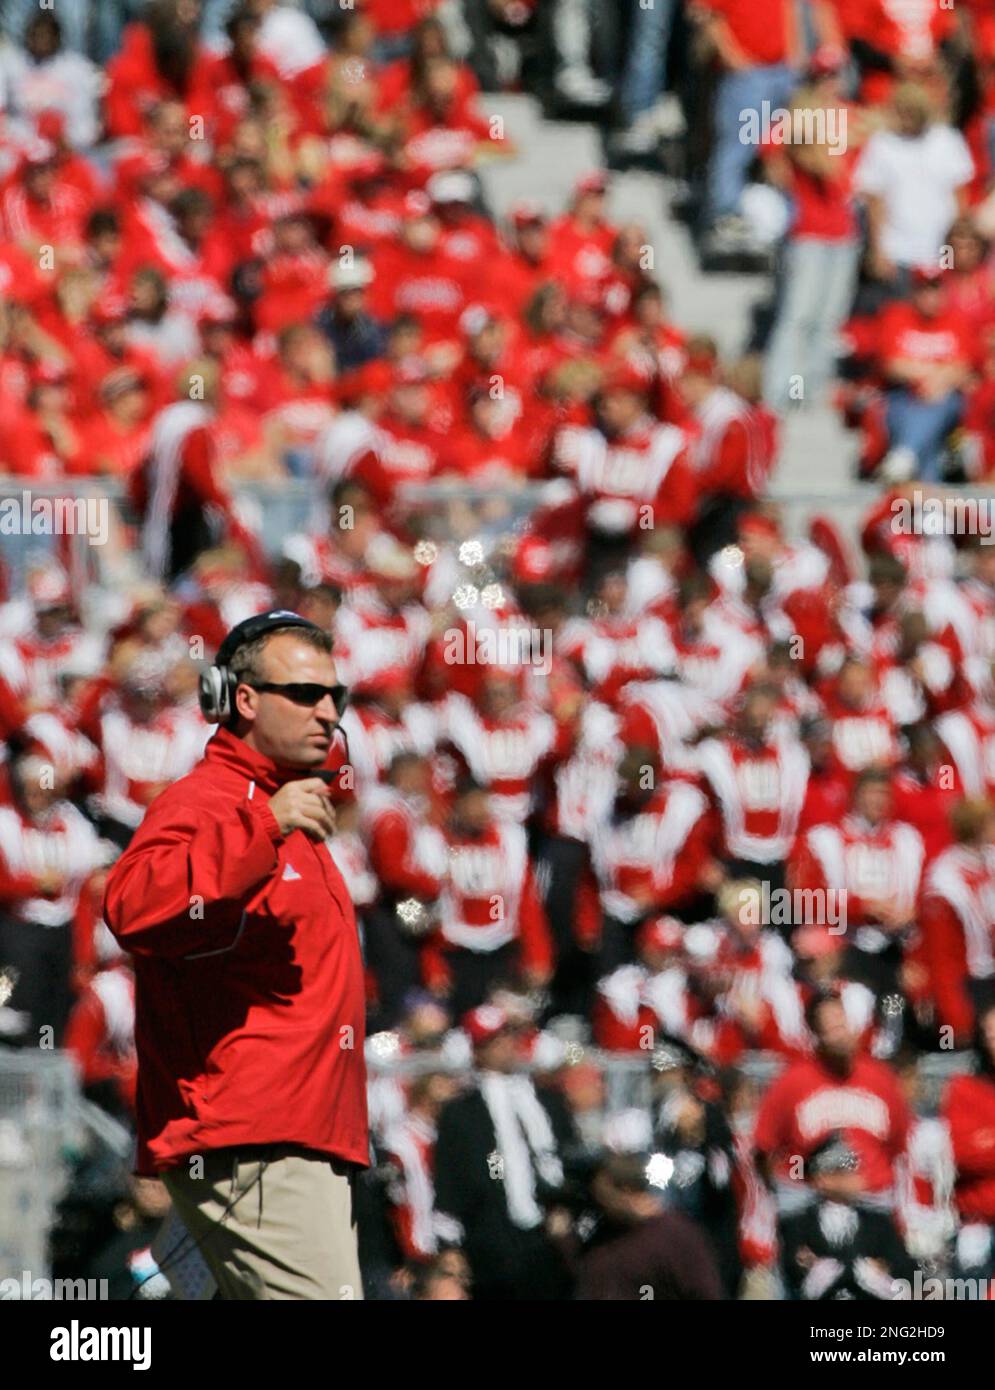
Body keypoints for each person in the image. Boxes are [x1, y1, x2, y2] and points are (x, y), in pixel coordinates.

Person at [103, 610, 368, 1300]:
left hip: (290, 1132)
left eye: (335, 695)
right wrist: (263, 825)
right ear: (241, 700)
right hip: (254, 1141)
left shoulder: (281, 803)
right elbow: (133, 906)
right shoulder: (218, 802)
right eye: (304, 694)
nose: (328, 712)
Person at [433, 1004, 575, 1299]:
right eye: (495, 1041)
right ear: (477, 1051)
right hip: (492, 1240)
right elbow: (451, 1178)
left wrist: (564, 1207)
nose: (507, 1046)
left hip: (547, 1239)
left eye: (509, 1037)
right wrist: (449, 1245)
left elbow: (564, 1156)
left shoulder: (545, 1101)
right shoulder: (461, 1113)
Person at [571, 1151, 723, 1300]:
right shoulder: (602, 1238)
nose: (597, 1198)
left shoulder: (676, 1235)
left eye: (602, 1191)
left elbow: (704, 1292)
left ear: (626, 1189)